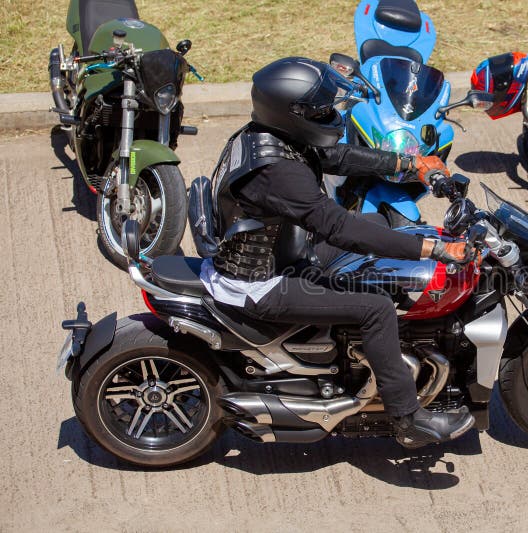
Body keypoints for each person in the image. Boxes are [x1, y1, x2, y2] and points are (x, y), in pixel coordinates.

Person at [201, 57, 475, 448]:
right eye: (321, 109)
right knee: (375, 307)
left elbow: (338, 157)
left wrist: (408, 163)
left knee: (380, 226)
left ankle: (375, 354)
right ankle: (408, 419)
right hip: (259, 285)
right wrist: (433, 248)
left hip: (283, 252)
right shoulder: (278, 174)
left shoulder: (269, 136)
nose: (329, 113)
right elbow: (340, 228)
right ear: (293, 113)